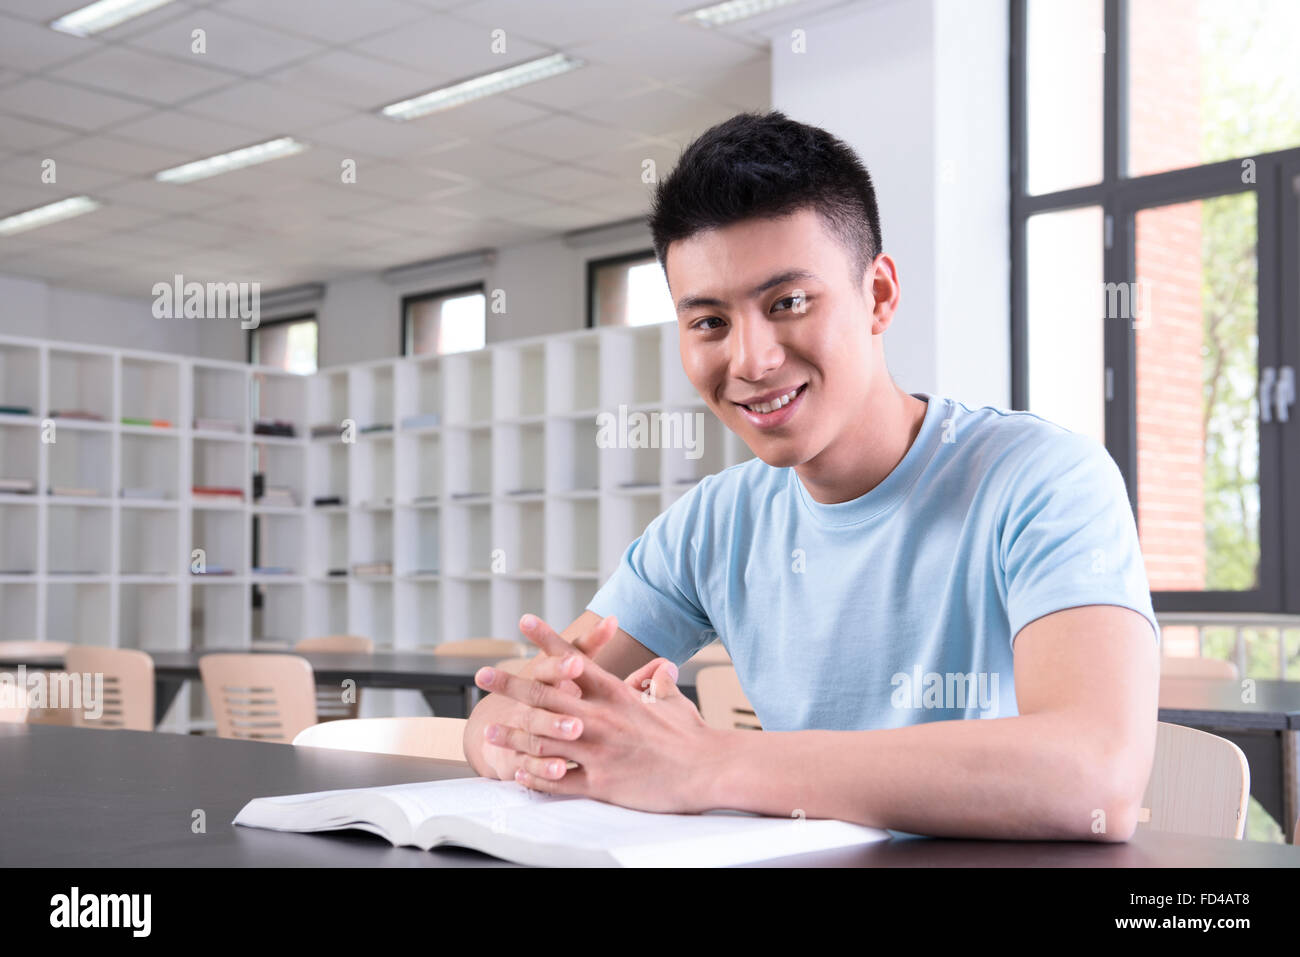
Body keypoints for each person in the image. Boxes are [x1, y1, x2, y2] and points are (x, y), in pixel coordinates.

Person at [463, 110, 1159, 841]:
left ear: (879, 295)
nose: (751, 360)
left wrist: (709, 764)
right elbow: (510, 715)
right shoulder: (713, 521)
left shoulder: (1043, 478)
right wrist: (509, 732)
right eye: (708, 322)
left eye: (788, 302)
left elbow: (1095, 775)